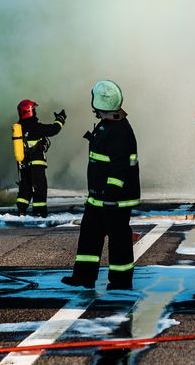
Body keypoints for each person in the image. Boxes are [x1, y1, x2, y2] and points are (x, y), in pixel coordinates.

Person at [61, 80, 140, 291]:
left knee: (119, 239)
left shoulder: (119, 130)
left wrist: (111, 194)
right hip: (98, 197)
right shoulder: (107, 125)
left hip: (115, 199)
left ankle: (121, 282)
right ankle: (83, 277)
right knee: (89, 236)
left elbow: (120, 167)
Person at [12, 99, 67, 217]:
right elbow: (54, 130)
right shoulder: (35, 127)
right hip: (36, 164)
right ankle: (39, 212)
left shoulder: (19, 128)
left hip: (24, 164)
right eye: (34, 110)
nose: (35, 112)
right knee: (40, 188)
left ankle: (21, 210)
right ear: (29, 111)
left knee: (25, 187)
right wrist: (60, 119)